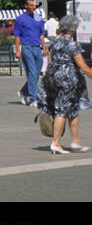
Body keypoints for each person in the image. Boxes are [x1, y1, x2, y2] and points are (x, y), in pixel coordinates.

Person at [41, 14, 92, 154]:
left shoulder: (55, 43)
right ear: (73, 29)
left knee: (73, 109)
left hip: (55, 79)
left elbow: (50, 62)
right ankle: (56, 143)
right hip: (69, 80)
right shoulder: (72, 44)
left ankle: (75, 141)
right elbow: (83, 66)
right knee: (62, 110)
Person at [13, 0, 47, 107]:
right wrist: (18, 50)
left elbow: (41, 34)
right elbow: (17, 36)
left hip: (37, 48)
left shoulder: (38, 18)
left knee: (36, 74)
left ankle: (24, 91)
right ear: (26, 6)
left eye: (34, 5)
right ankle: (33, 98)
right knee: (32, 72)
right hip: (26, 47)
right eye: (31, 5)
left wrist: (44, 48)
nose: (33, 7)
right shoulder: (20, 19)